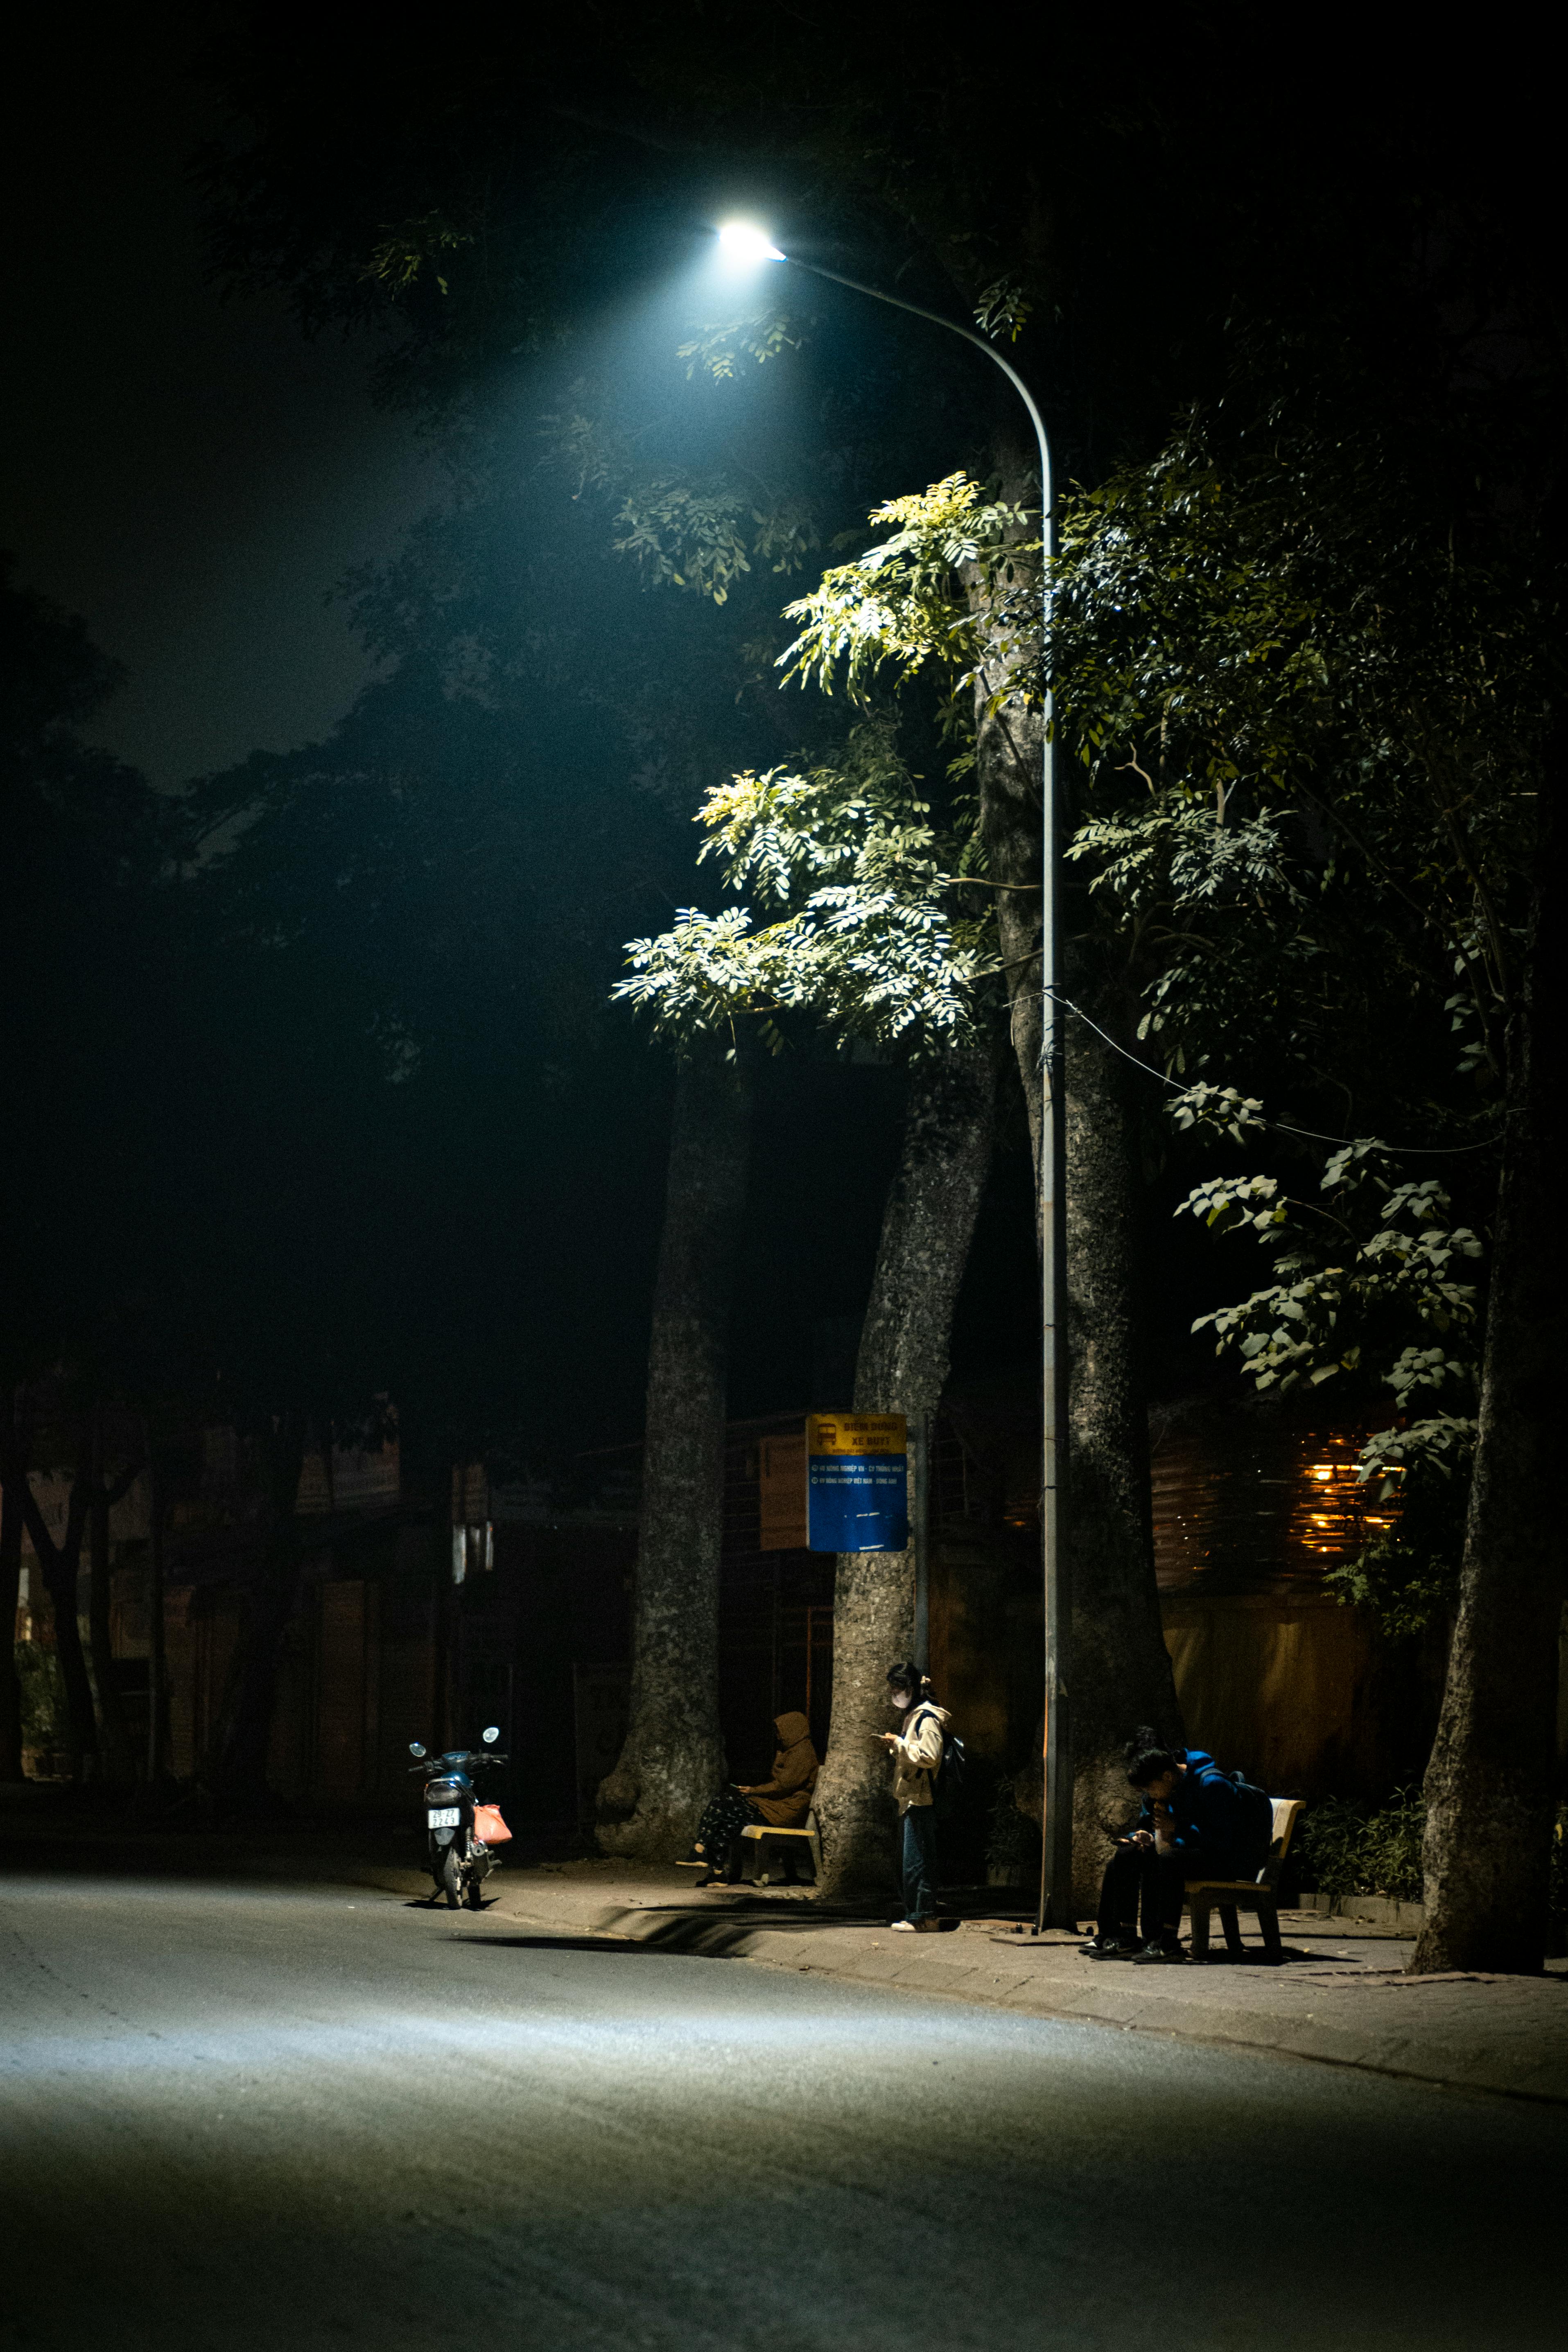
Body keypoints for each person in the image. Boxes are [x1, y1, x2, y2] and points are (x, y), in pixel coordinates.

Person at [1082, 1728, 1261, 1963]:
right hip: (1189, 1850)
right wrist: (1141, 1835)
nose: (1149, 1796)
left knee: (1167, 1861)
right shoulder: (1167, 1787)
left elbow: (1222, 1842)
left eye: (1149, 1789)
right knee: (1127, 1854)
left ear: (1166, 1777)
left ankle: (1167, 1942)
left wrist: (1176, 1829)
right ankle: (1125, 1936)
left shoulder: (1212, 1785)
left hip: (1227, 1861)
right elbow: (1150, 1823)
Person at [686, 1710, 820, 1887]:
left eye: (781, 1731)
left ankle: (703, 1853)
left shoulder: (803, 1753)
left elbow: (783, 1785)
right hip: (775, 1806)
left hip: (785, 1812)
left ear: (793, 1730)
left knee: (727, 1807)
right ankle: (714, 1867)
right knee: (726, 1809)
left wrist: (753, 1791)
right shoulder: (789, 1750)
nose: (778, 1736)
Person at [877, 1661, 950, 1932]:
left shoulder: (927, 1718)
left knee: (918, 1860)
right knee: (912, 1861)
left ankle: (923, 1917)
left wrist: (900, 1743)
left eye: (897, 1687)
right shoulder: (915, 1716)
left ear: (910, 1688)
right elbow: (914, 1754)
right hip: (911, 1797)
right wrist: (897, 1747)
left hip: (922, 1798)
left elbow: (929, 1756)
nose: (894, 1692)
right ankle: (915, 1913)